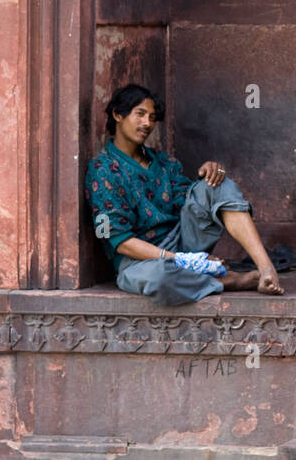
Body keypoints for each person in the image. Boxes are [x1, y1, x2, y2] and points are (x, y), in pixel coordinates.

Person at [84, 83, 283, 303]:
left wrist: (214, 172)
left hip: (181, 241)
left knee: (217, 184)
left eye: (152, 117)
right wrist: (181, 260)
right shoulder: (102, 170)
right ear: (117, 115)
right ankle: (230, 281)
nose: (147, 123)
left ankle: (266, 270)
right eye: (140, 114)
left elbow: (195, 201)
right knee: (158, 279)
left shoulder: (164, 162)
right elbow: (118, 241)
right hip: (138, 260)